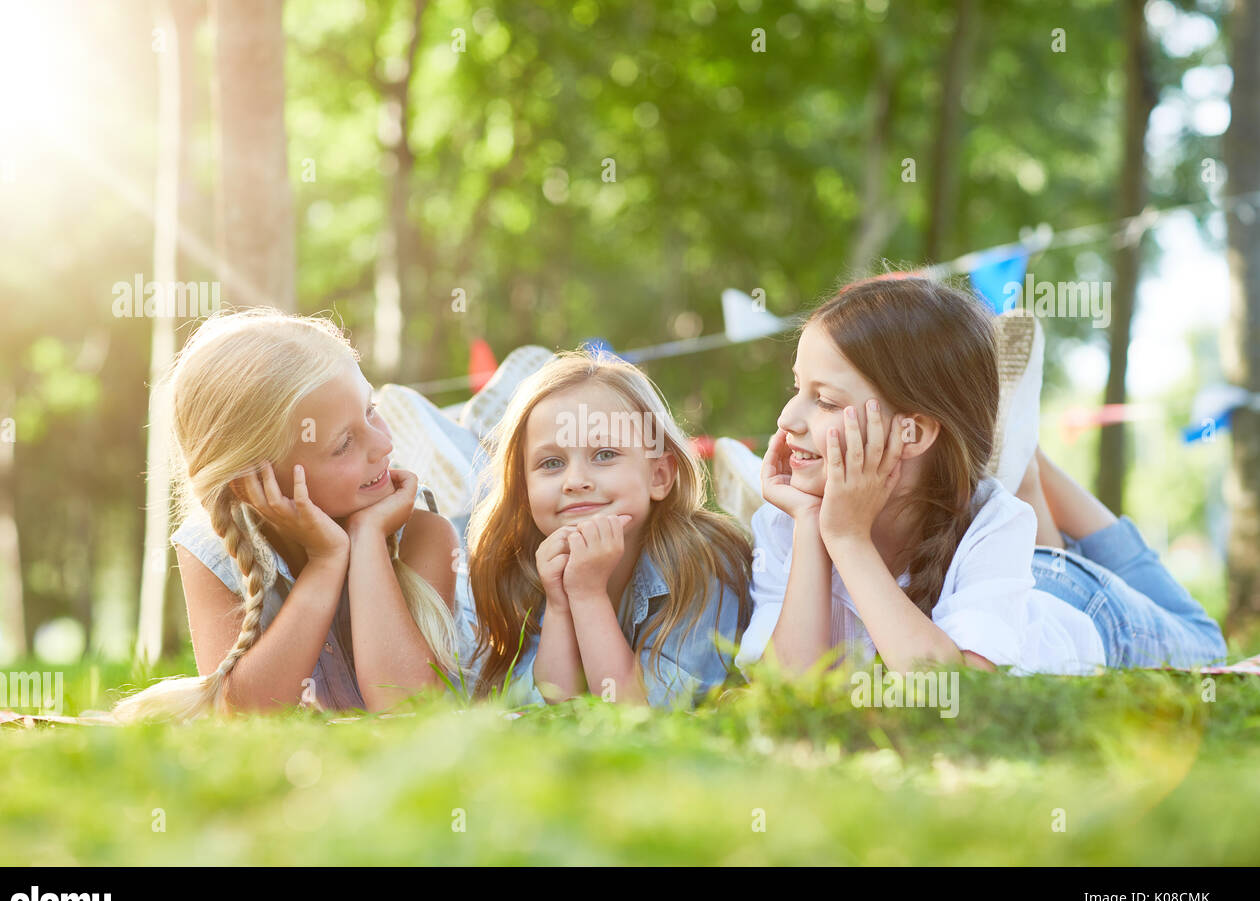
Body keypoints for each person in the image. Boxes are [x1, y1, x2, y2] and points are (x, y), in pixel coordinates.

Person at [737, 275, 1226, 678]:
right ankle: (1021, 457)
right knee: (1023, 528)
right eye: (797, 387)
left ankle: (1024, 458)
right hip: (1015, 580)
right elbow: (790, 688)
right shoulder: (788, 524)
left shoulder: (993, 521)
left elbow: (957, 692)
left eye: (824, 400)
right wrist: (812, 527)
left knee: (1206, 644)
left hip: (1082, 604)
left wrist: (847, 538)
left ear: (913, 432)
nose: (785, 419)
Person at [112, 309, 459, 722]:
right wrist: (327, 562)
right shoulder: (213, 549)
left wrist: (366, 539)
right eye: (343, 443)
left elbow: (411, 707)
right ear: (256, 479)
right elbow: (245, 718)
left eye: (371, 409)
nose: (383, 443)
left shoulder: (422, 530)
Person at [459, 348, 752, 707]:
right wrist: (559, 604)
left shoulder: (701, 564)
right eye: (551, 463)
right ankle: (460, 445)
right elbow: (551, 708)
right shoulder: (522, 566)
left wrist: (586, 594)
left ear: (659, 475)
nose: (576, 481)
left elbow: (638, 715)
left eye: (604, 455)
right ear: (524, 490)